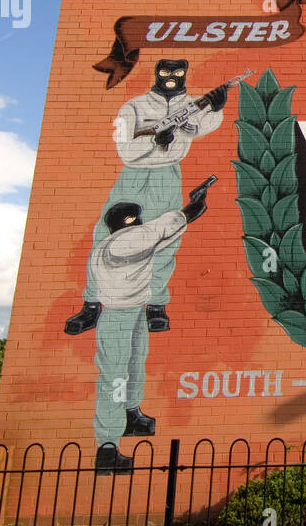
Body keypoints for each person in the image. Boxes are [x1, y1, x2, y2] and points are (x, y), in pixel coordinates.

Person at [65, 60, 228, 336]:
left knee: (167, 240)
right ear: (157, 73)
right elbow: (125, 150)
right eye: (165, 72)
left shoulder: (190, 102)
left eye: (177, 72)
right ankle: (92, 304)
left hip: (167, 176)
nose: (171, 78)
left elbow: (201, 128)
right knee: (105, 236)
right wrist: (154, 139)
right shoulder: (134, 106)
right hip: (134, 174)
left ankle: (155, 305)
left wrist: (215, 107)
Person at [89, 180, 213, 475]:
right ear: (126, 224)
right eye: (136, 221)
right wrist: (186, 212)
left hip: (134, 313)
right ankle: (107, 446)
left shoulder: (133, 243)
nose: (140, 224)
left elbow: (160, 236)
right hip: (117, 317)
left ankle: (131, 414)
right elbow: (156, 231)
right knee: (114, 377)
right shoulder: (119, 244)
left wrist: (192, 209)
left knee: (134, 366)